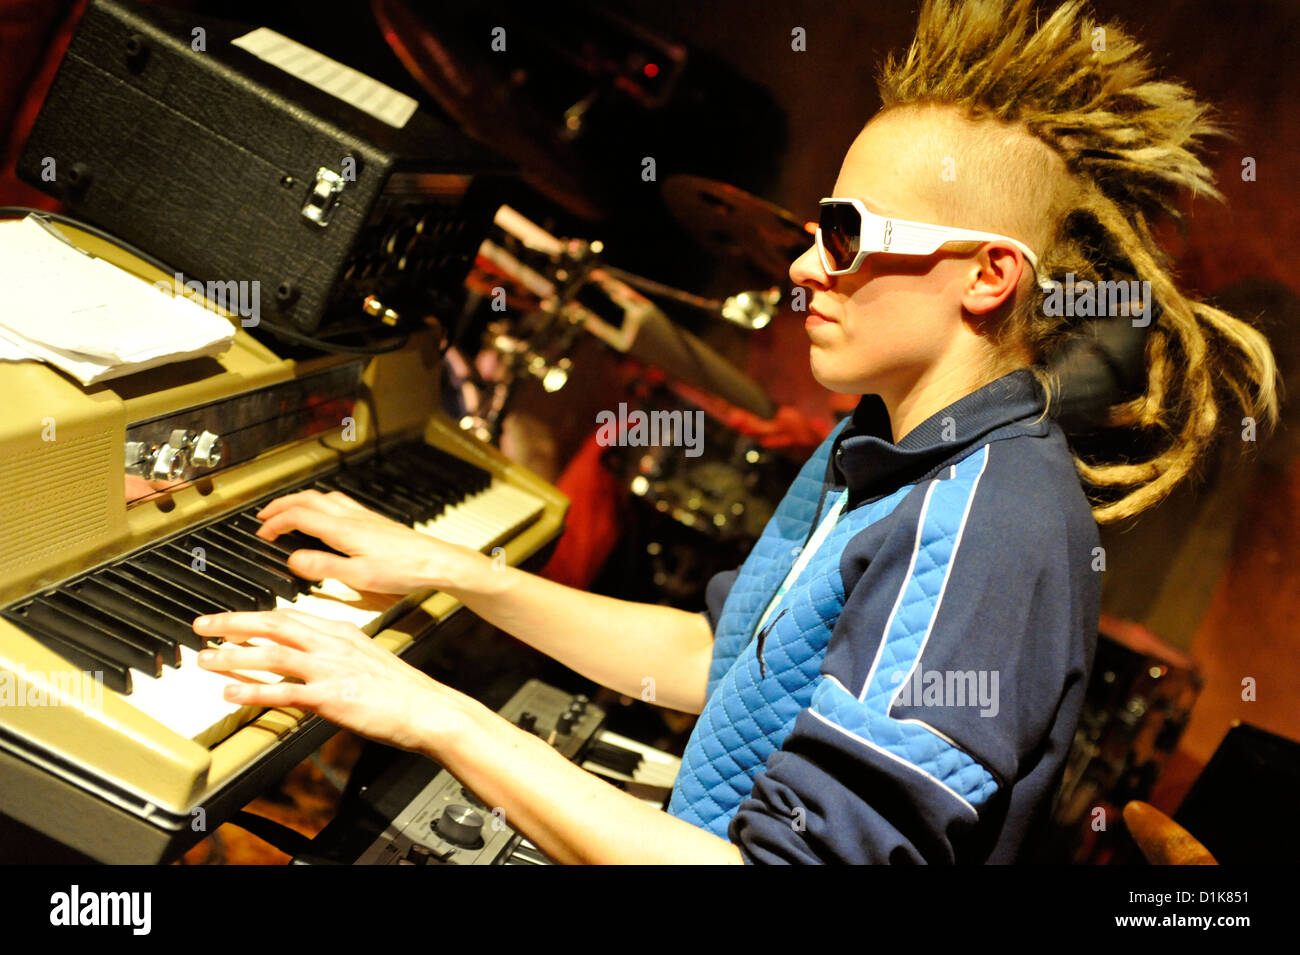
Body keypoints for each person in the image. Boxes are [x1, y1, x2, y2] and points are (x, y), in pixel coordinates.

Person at [196, 0, 1277, 863]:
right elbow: (721, 663)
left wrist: (435, 715)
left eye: (846, 236)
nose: (805, 264)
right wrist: (460, 571)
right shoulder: (876, 440)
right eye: (815, 228)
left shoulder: (986, 530)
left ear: (988, 276)